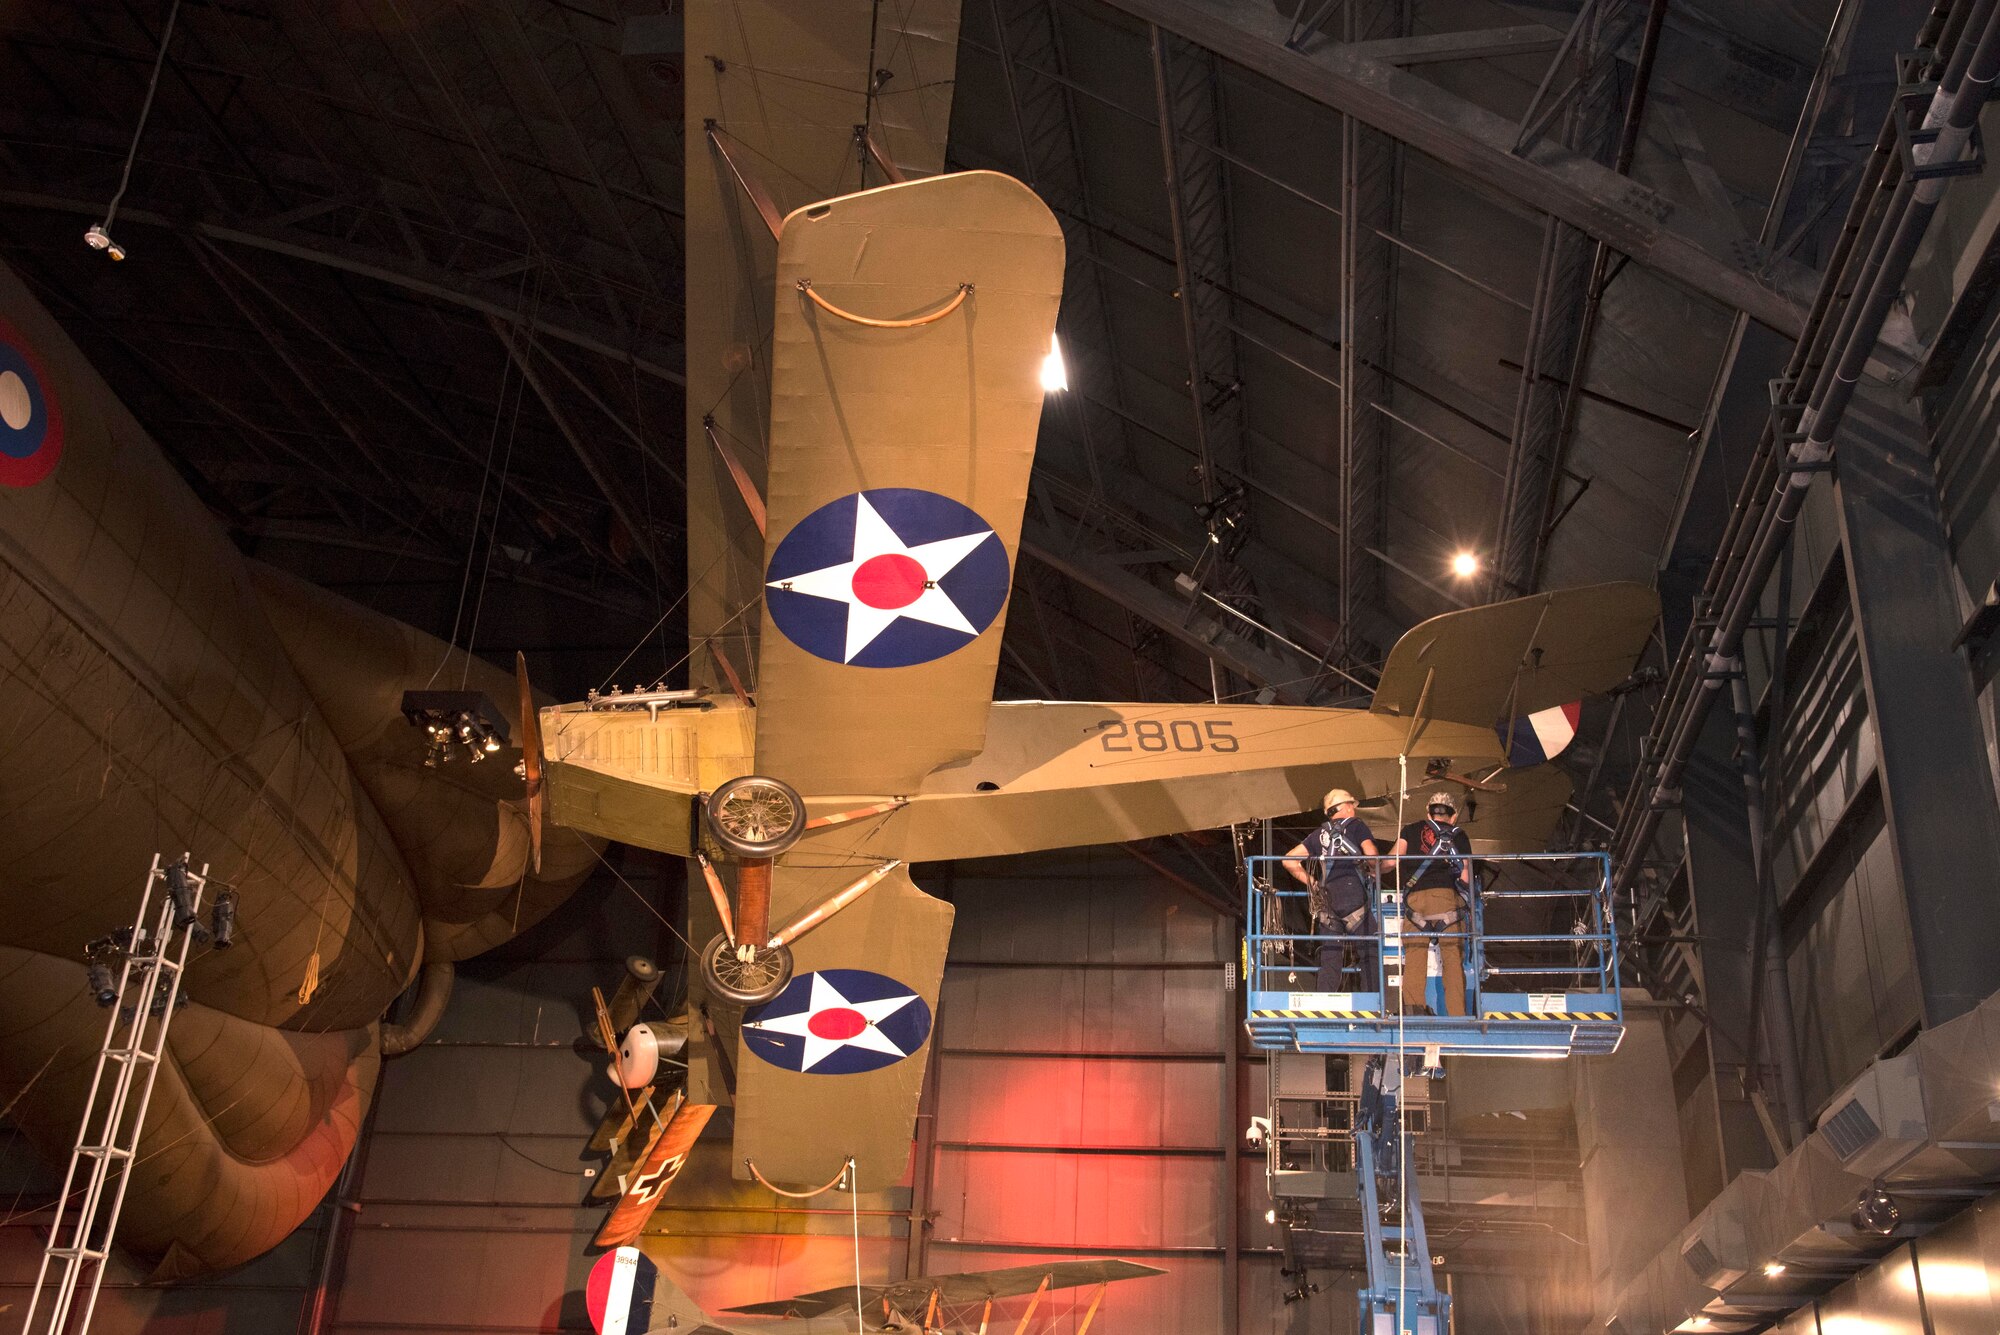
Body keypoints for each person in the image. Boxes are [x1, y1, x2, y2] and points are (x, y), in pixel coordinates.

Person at [1280, 789, 1380, 993]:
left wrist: (1313, 883)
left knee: (1330, 954)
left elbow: (1288, 860)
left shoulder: (1319, 834)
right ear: (1344, 807)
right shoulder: (1356, 826)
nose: (1353, 809)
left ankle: (1325, 999)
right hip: (1352, 895)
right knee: (1370, 950)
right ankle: (1373, 1002)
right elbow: (1372, 857)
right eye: (1351, 804)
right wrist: (1374, 868)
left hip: (1328, 898)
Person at [1391, 790, 1474, 1016]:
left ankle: (1413, 1011)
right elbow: (1465, 875)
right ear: (1453, 816)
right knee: (1452, 960)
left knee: (1415, 959)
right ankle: (1457, 1014)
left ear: (1428, 812)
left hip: (1416, 901)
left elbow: (1390, 861)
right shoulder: (1459, 836)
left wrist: (1372, 868)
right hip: (1447, 900)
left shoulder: (1411, 830)